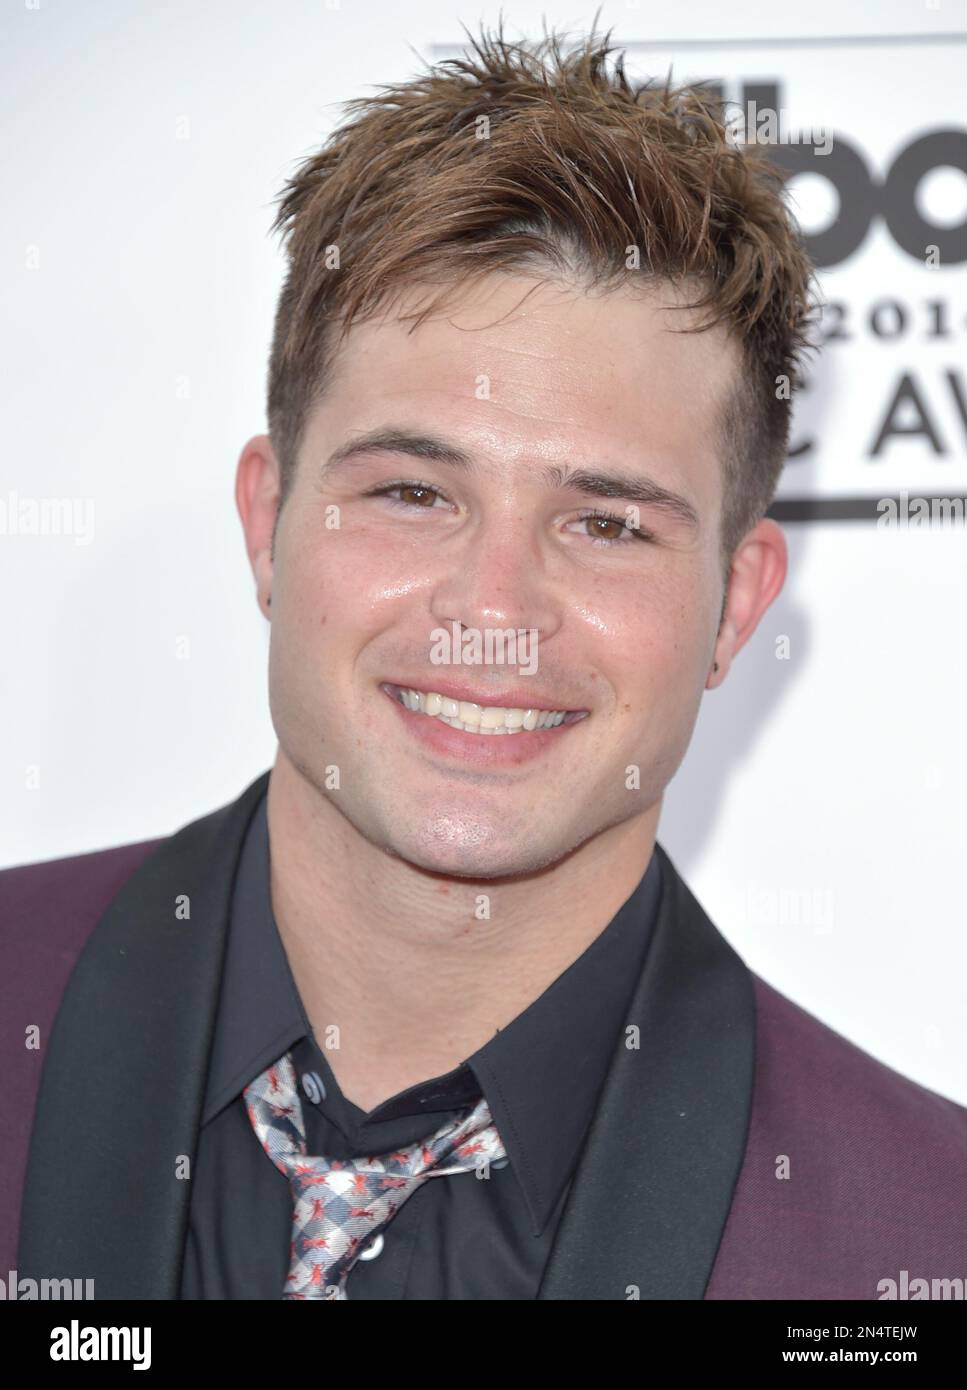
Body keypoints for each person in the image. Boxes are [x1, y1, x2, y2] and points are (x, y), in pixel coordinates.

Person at [4, 20, 965, 1302]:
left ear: (735, 606)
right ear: (266, 523)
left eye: (606, 522)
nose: (491, 613)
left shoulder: (918, 1241)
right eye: (412, 492)